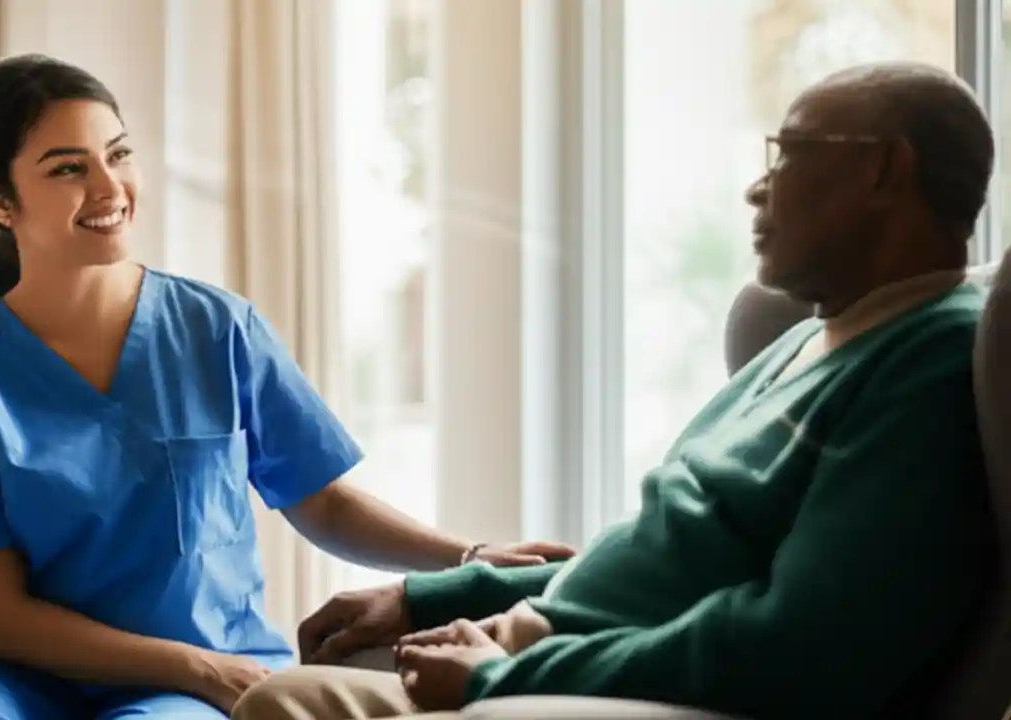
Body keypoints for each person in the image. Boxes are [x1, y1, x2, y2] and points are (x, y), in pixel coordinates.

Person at [232, 62, 1000, 720]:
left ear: (884, 171)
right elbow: (667, 555)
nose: (757, 190)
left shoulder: (928, 361)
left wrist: (506, 675)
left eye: (789, 153)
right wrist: (428, 598)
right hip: (557, 654)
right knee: (316, 671)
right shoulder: (812, 336)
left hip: (626, 692)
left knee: (280, 704)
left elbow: (804, 643)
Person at [0, 54, 575, 720]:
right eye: (68, 168)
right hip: (21, 673)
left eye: (118, 154)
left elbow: (321, 500)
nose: (110, 189)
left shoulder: (217, 328)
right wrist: (200, 668)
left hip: (186, 680)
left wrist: (468, 559)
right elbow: (2, 617)